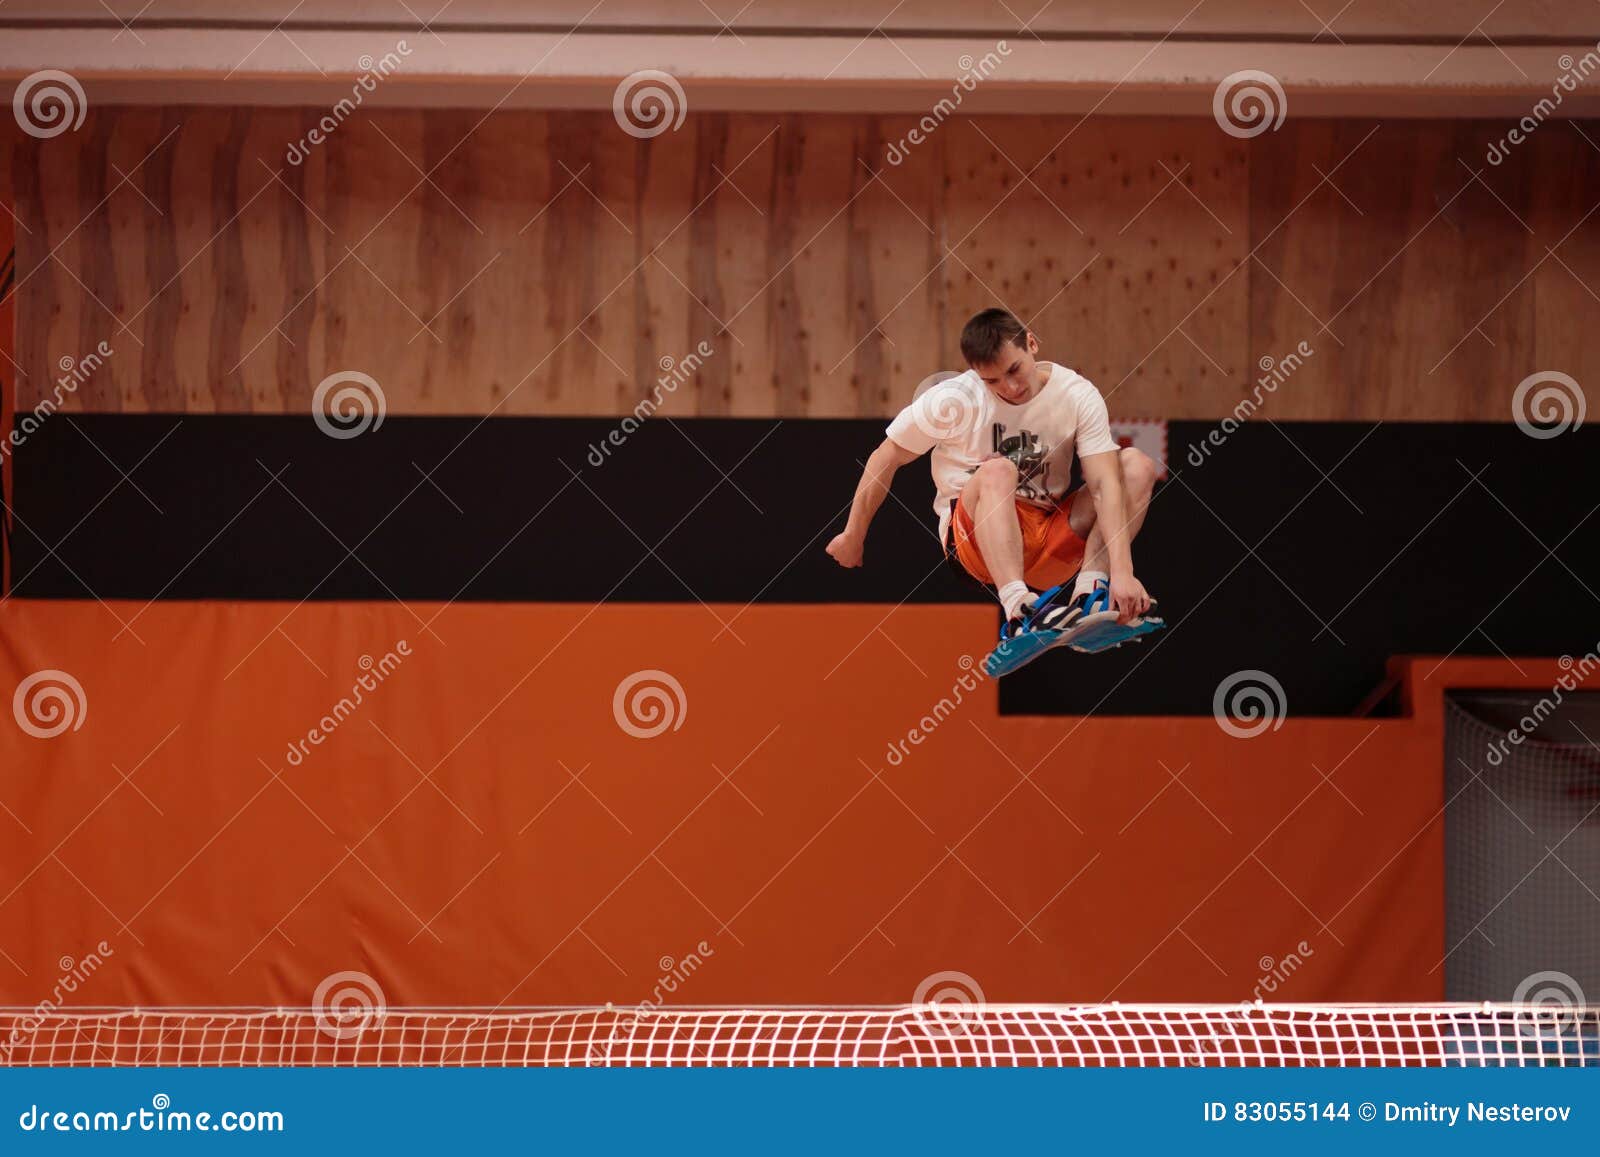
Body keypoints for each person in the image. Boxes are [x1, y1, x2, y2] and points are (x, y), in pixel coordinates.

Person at [826, 308, 1161, 671]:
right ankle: (1019, 610)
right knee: (998, 469)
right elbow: (884, 458)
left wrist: (1123, 574)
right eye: (993, 381)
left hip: (1048, 538)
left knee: (1135, 465)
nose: (1010, 388)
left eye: (1015, 370)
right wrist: (853, 534)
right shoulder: (953, 400)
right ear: (975, 374)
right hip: (976, 542)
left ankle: (1091, 593)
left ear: (1031, 343)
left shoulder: (1077, 394)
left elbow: (1104, 484)